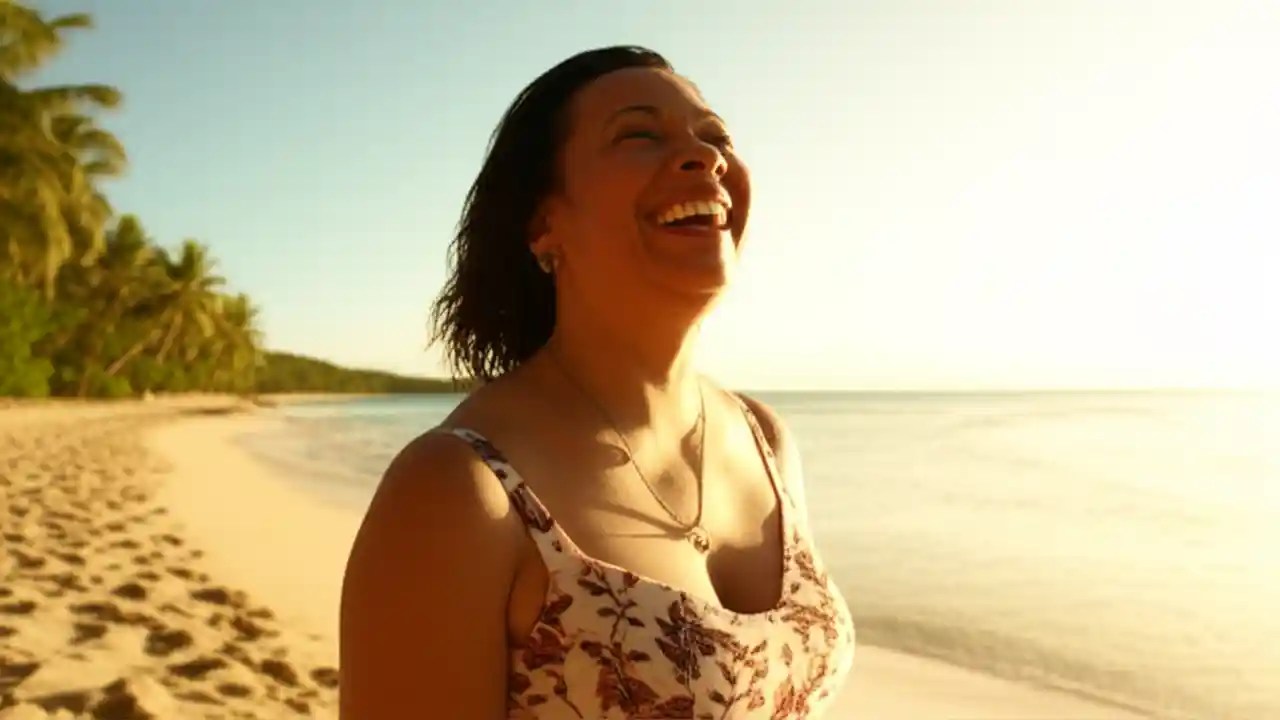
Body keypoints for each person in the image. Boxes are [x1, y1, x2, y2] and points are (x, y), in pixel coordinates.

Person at [339, 45, 855, 719]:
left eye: (716, 136)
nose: (706, 158)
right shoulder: (459, 491)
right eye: (639, 134)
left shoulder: (763, 437)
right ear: (543, 221)